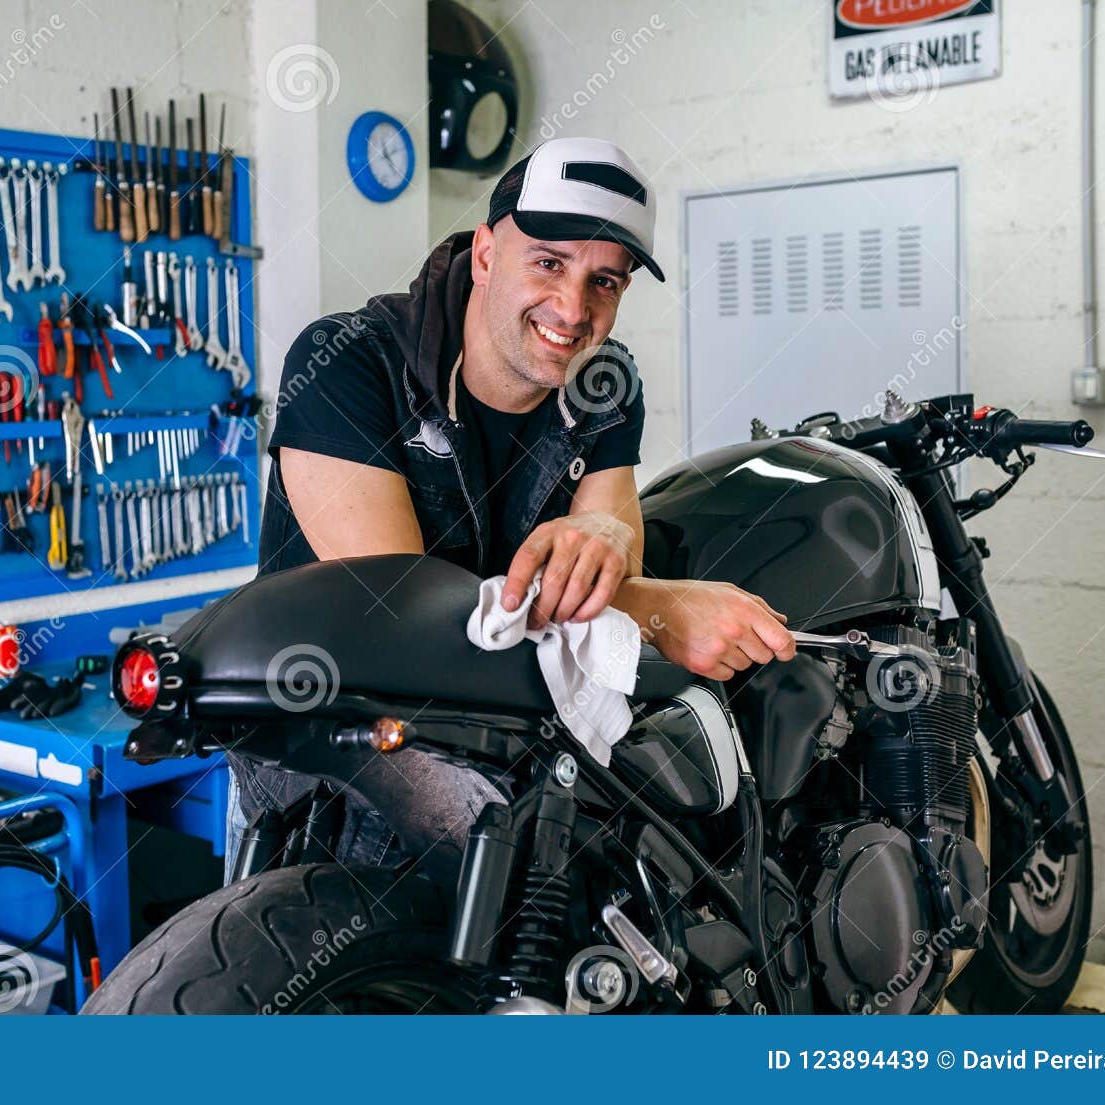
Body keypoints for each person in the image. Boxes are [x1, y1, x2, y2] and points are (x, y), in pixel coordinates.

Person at [229, 137, 795, 880]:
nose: (572, 309)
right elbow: (406, 618)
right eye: (550, 263)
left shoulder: (604, 387)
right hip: (321, 739)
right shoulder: (347, 362)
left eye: (606, 283)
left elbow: (613, 544)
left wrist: (602, 535)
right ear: (487, 251)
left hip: (486, 725)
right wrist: (664, 610)